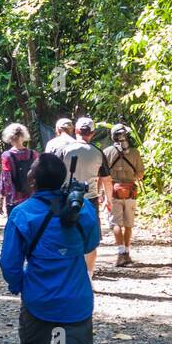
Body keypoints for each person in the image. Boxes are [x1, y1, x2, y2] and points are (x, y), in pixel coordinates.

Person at [0, 153, 99, 344]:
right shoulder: (84, 210)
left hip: (38, 299)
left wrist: (19, 286)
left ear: (32, 180)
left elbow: (9, 262)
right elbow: (91, 244)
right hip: (75, 300)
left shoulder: (23, 213)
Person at [61, 117, 111, 276]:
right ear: (93, 133)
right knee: (90, 239)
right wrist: (109, 200)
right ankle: (88, 276)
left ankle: (70, 273)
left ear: (75, 131)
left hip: (67, 198)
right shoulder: (98, 153)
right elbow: (107, 180)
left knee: (67, 235)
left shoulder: (65, 150)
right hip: (90, 199)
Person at [104, 124, 144, 266]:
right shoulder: (135, 153)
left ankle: (121, 253)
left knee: (116, 223)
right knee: (128, 224)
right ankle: (127, 253)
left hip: (114, 192)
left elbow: (102, 175)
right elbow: (140, 174)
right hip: (130, 192)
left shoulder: (107, 152)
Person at [0, 122, 36, 216]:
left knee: (14, 225)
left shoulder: (7, 156)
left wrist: (2, 198)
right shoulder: (33, 154)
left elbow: (6, 179)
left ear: (9, 137)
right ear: (23, 135)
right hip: (31, 197)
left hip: (14, 199)